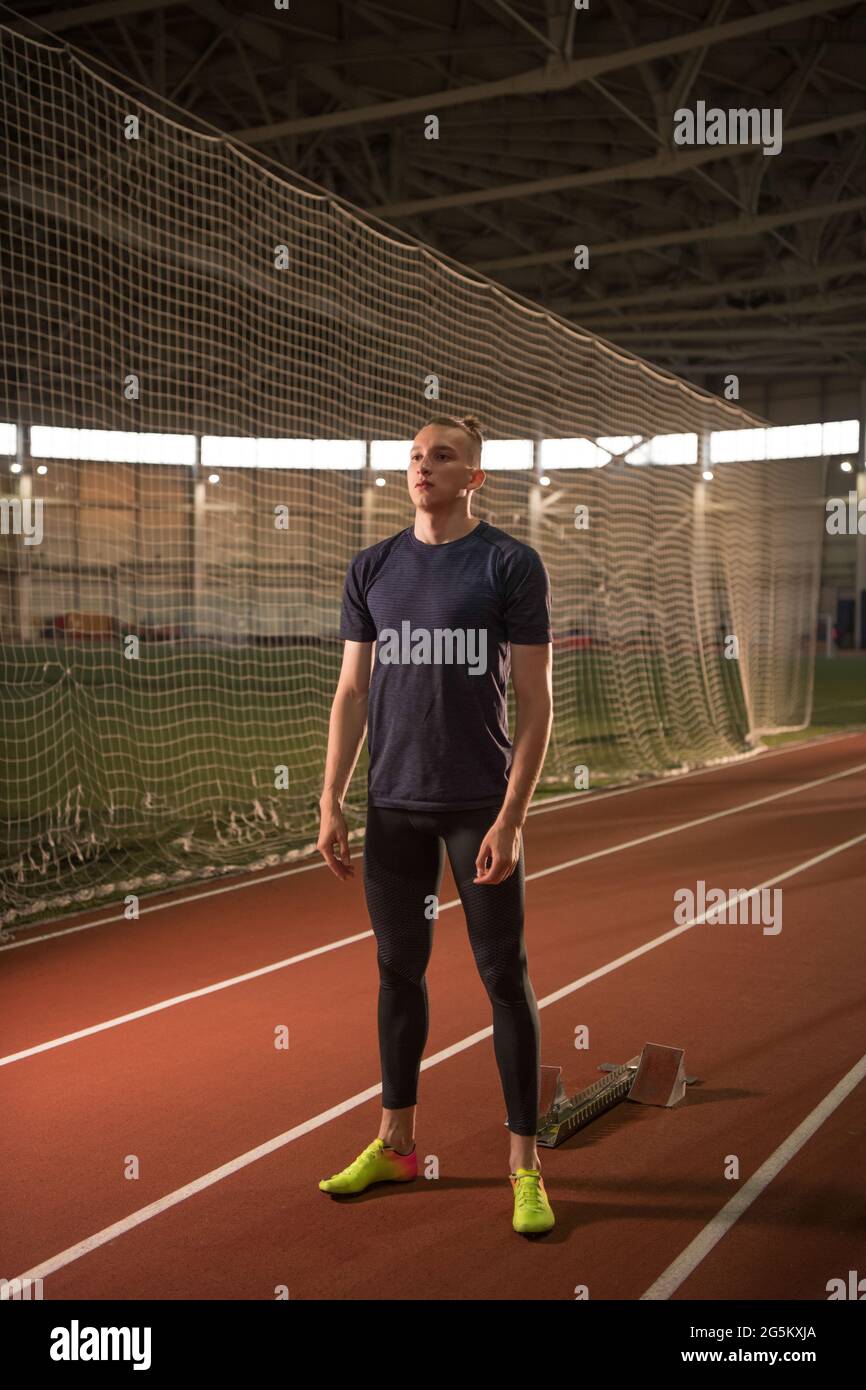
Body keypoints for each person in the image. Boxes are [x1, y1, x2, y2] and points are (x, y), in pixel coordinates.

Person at [316, 414, 555, 1235]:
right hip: (394, 807)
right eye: (415, 457)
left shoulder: (509, 565)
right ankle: (396, 1143)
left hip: (477, 807)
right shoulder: (373, 568)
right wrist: (330, 797)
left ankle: (525, 1166)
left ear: (474, 478)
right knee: (397, 972)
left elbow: (535, 702)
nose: (423, 467)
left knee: (502, 976)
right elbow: (351, 693)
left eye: (441, 456)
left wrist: (513, 817)